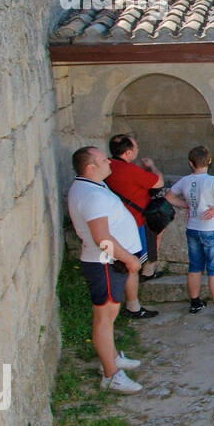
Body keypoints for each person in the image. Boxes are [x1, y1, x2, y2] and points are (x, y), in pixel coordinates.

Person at [66, 146, 145, 394]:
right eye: (102, 159)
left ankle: (111, 357)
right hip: (105, 262)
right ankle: (111, 374)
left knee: (109, 317)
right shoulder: (92, 196)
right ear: (90, 167)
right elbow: (102, 238)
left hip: (106, 262)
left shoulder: (91, 187)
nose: (108, 161)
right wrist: (129, 259)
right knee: (104, 319)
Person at [163, 145, 214, 318]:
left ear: (190, 163)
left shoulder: (185, 180)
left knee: (195, 266)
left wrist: (186, 205)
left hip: (192, 227)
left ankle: (195, 302)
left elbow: (169, 196)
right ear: (209, 161)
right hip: (212, 228)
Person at [102, 136, 160, 321]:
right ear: (128, 152)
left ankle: (145, 274)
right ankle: (133, 306)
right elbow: (158, 182)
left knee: (119, 264)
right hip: (133, 224)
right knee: (131, 265)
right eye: (135, 147)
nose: (137, 150)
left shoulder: (107, 166)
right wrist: (151, 167)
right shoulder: (128, 169)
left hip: (110, 224)